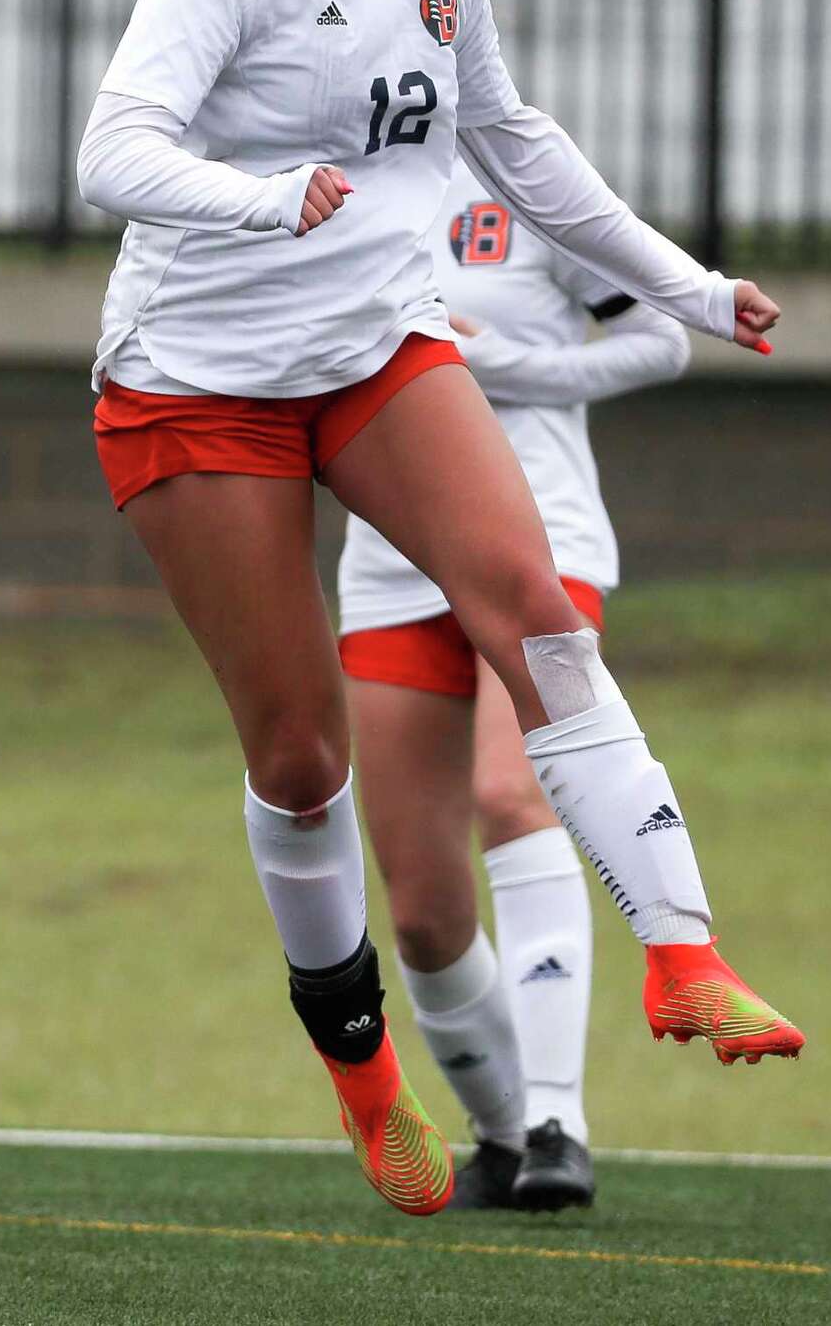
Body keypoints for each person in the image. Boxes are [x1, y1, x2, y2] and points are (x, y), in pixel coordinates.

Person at [76, 0, 803, 1220]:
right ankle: (366, 1078)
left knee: (540, 617)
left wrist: (691, 286)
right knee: (299, 757)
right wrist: (265, 199)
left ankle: (687, 955)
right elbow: (112, 151)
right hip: (199, 379)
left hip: (374, 351)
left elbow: (519, 144)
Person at [338, 162, 694, 1210]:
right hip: (390, 561)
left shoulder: (531, 184)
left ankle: (557, 1121)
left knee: (511, 791)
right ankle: (501, 1138)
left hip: (545, 545)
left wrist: (499, 369)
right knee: (422, 910)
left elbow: (665, 337)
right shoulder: (322, 190)